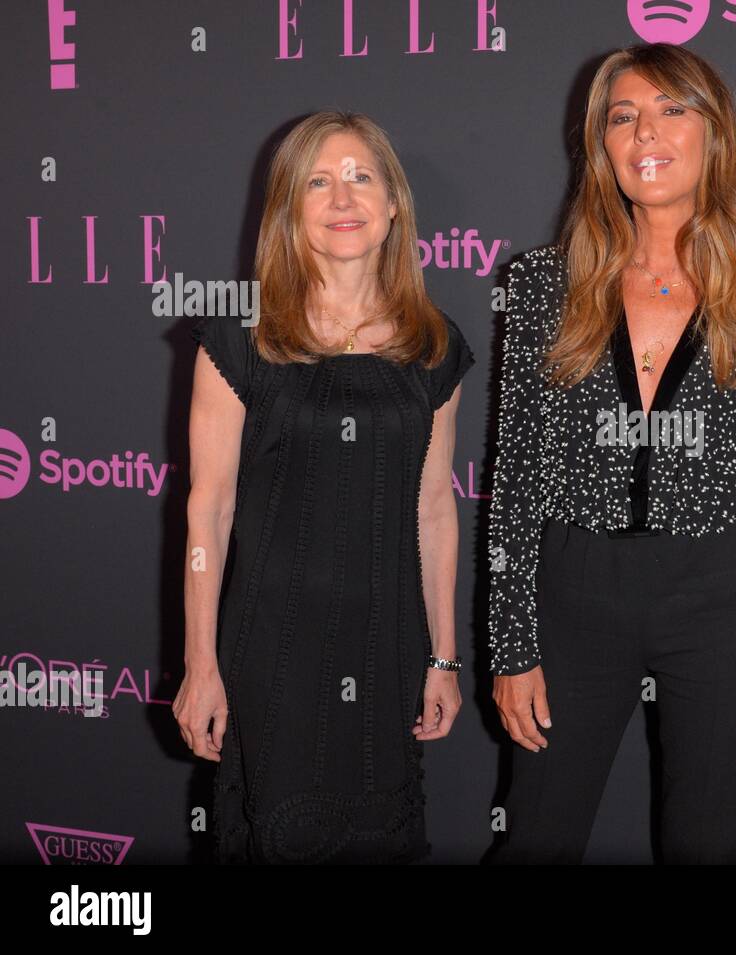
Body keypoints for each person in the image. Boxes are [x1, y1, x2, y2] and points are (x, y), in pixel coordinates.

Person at [487, 43, 736, 863]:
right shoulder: (541, 285)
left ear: (716, 136)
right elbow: (515, 476)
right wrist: (512, 644)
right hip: (574, 595)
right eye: (623, 115)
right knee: (536, 835)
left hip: (723, 596)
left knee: (711, 843)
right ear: (601, 144)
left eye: (674, 110)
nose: (647, 132)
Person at [173, 110, 474, 863]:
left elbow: (434, 510)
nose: (343, 197)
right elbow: (208, 512)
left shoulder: (434, 347)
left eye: (360, 177)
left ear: (393, 204)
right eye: (318, 181)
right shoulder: (239, 338)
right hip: (271, 647)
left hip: (386, 649)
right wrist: (201, 665)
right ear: (289, 210)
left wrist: (442, 656)